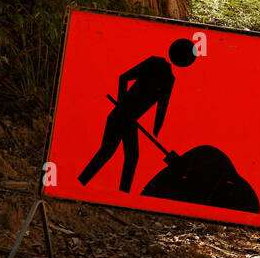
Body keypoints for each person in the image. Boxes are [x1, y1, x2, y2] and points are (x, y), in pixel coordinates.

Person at [78, 38, 198, 192]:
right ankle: (82, 182)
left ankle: (122, 193)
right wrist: (121, 105)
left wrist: (156, 132)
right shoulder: (154, 63)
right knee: (107, 152)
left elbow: (162, 108)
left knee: (131, 157)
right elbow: (124, 78)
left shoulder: (169, 78)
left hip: (130, 121)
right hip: (120, 116)